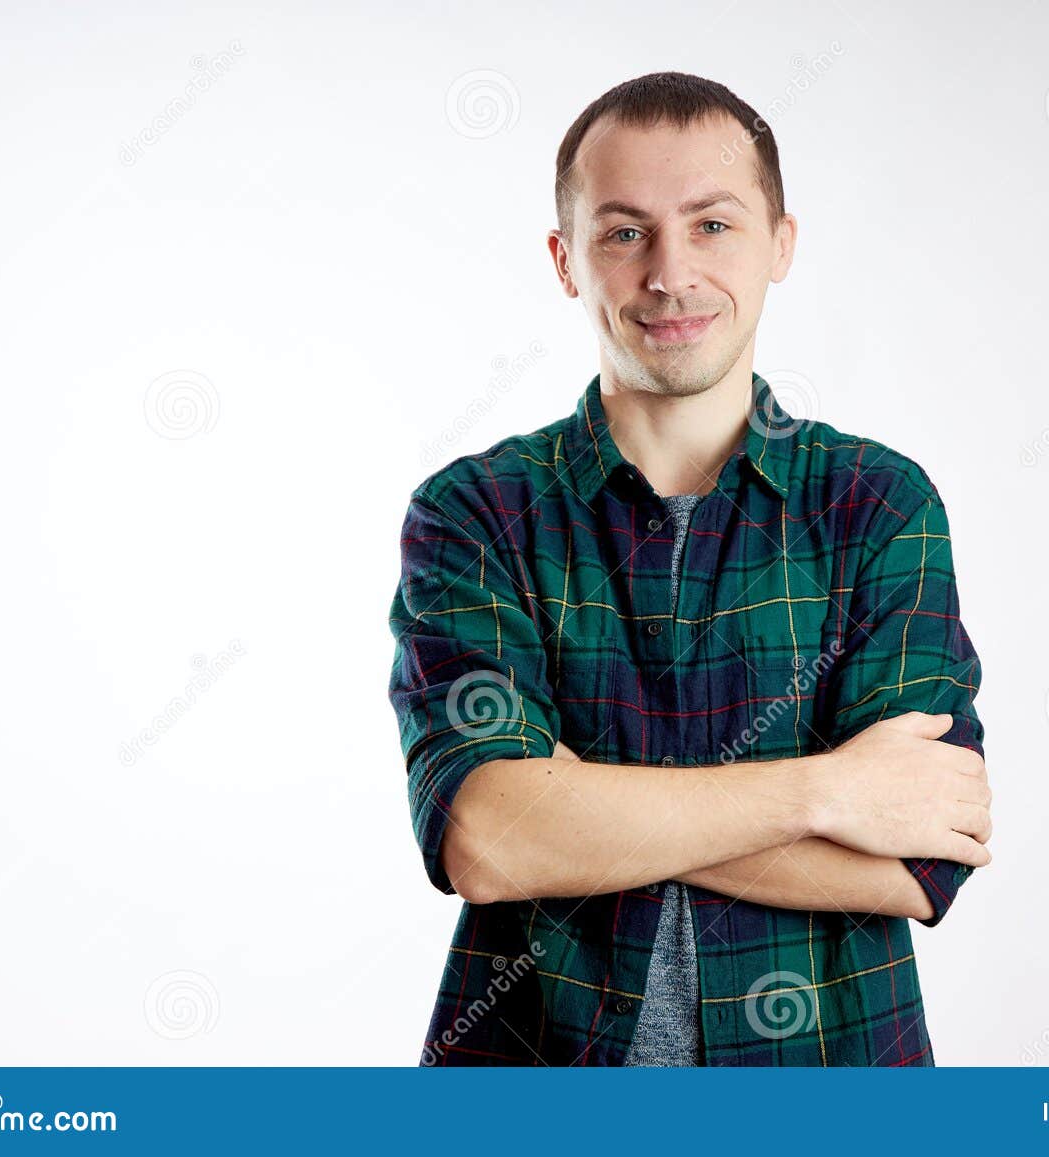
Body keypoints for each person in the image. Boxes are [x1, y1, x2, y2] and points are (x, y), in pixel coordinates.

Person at [387, 71, 992, 1067]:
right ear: (564, 260)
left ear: (779, 245)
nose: (669, 271)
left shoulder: (878, 504)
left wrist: (581, 803)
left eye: (712, 224)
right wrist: (827, 792)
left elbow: (919, 857)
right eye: (624, 232)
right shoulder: (476, 511)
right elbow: (489, 839)